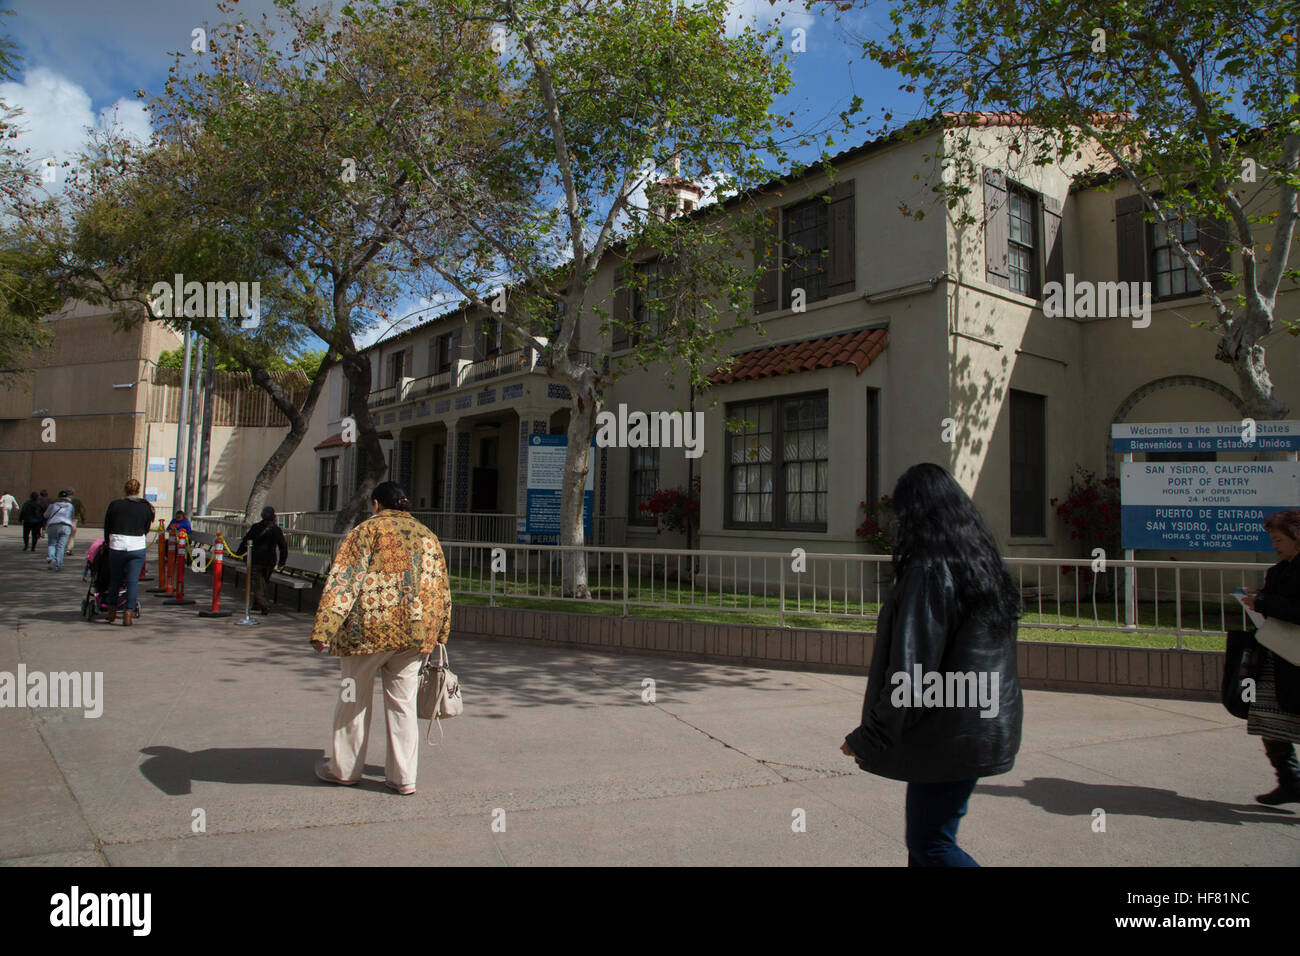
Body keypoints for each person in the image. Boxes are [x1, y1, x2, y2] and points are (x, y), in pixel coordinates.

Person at [841, 463, 1023, 867]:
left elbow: (913, 672)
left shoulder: (931, 570)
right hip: (980, 725)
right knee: (924, 843)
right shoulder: (981, 563)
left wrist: (869, 736)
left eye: (903, 514)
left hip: (949, 734)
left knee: (930, 844)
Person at [310, 482, 452, 795]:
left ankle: (344, 769)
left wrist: (324, 628)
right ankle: (403, 778)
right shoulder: (428, 535)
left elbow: (344, 580)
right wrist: (441, 629)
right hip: (415, 634)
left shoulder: (366, 531)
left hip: (368, 631)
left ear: (376, 504)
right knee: (403, 705)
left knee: (353, 700)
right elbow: (441, 586)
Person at [1237, 509, 1300, 806]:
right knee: (1270, 721)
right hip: (1277, 656)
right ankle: (1290, 781)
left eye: (1278, 539)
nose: (1274, 545)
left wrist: (1262, 601)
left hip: (1296, 657)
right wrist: (1256, 598)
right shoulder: (1278, 571)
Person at [102, 478, 156, 626]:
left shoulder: (115, 505)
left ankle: (111, 611)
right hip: (136, 546)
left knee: (115, 579)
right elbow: (146, 528)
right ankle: (128, 614)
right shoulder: (145, 507)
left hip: (117, 544)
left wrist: (108, 541)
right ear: (138, 491)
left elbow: (107, 525)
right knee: (132, 581)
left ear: (125, 490)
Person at [237, 507, 288, 614]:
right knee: (264, 582)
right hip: (270, 560)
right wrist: (282, 562)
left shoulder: (256, 527)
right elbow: (283, 546)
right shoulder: (276, 530)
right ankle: (257, 604)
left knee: (256, 583)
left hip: (256, 559)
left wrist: (239, 553)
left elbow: (246, 541)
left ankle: (264, 605)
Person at [43, 490, 76, 571]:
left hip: (53, 525)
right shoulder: (70, 506)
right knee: (61, 546)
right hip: (66, 526)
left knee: (52, 543)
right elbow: (72, 516)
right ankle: (57, 565)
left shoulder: (53, 505)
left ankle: (51, 557)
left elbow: (45, 515)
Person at [65, 488, 85, 556]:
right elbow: (81, 510)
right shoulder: (77, 500)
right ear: (73, 493)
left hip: (64, 519)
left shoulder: (63, 500)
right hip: (73, 519)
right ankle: (69, 549)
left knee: (64, 534)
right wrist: (83, 519)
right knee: (72, 535)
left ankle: (61, 548)